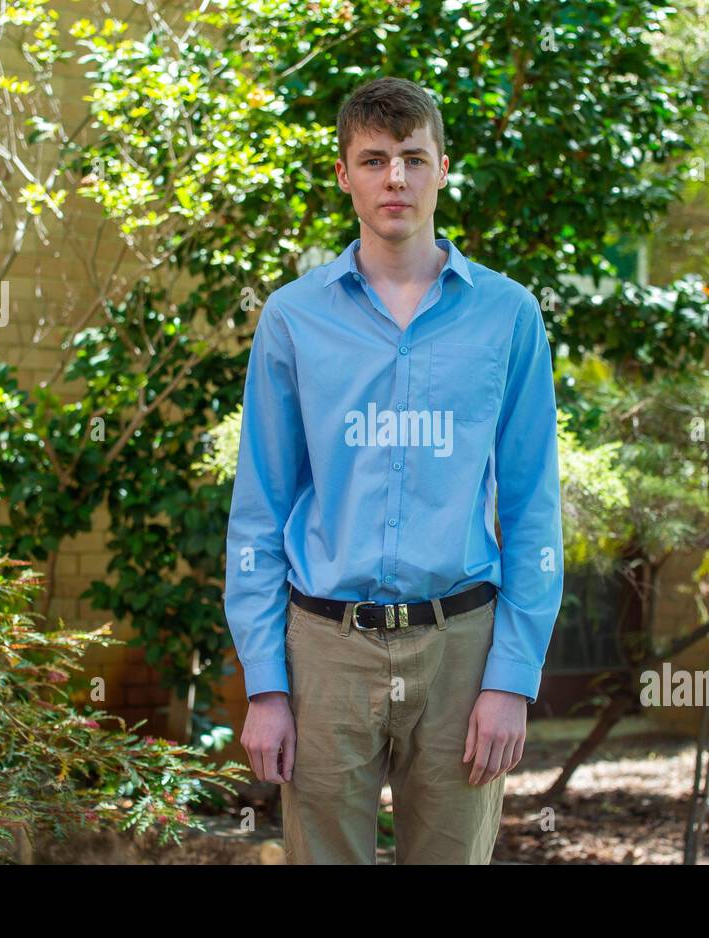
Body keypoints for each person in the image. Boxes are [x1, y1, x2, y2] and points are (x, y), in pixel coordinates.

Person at [223, 76, 563, 864]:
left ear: (444, 167)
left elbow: (534, 506)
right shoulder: (293, 319)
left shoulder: (508, 316)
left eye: (414, 158)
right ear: (344, 174)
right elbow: (260, 511)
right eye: (374, 160)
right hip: (324, 651)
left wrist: (512, 677)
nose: (396, 179)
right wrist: (267, 684)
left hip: (461, 646)